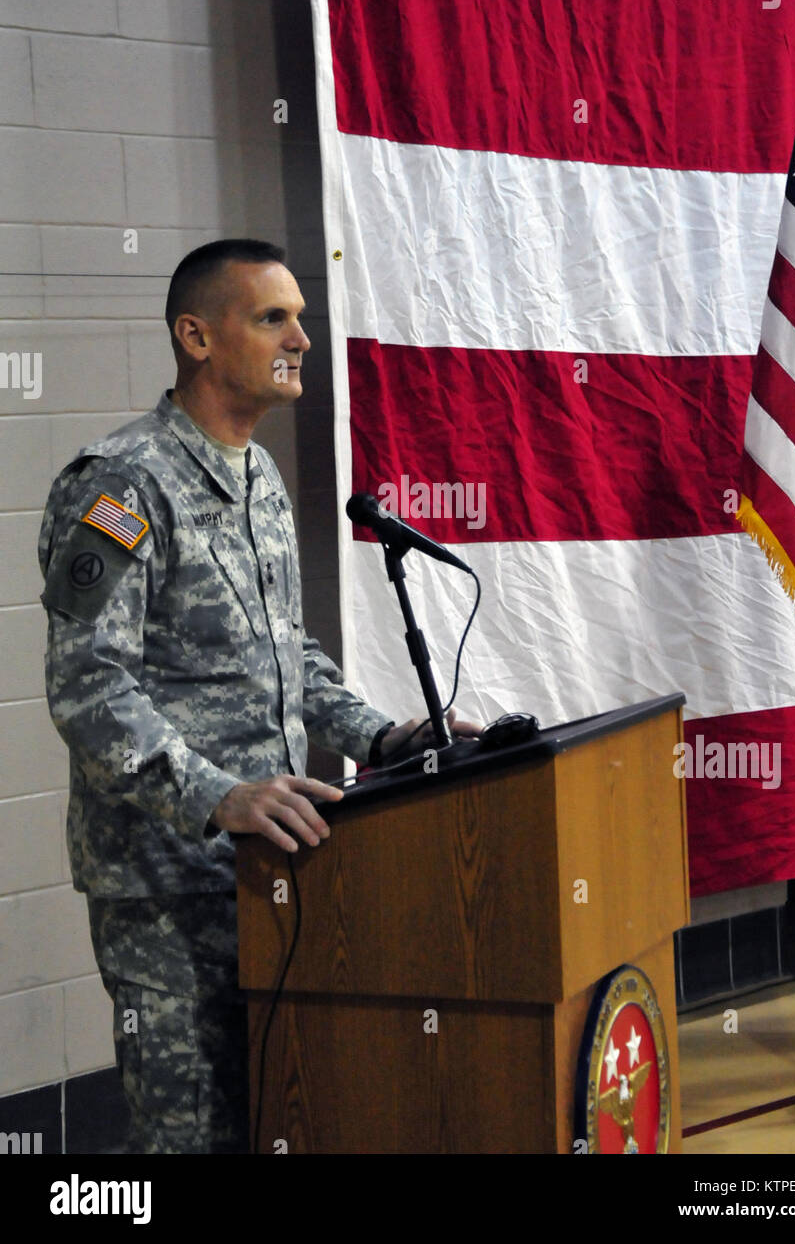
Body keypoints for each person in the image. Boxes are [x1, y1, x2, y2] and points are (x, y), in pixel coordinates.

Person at [38, 239, 480, 1154]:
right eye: (272, 316)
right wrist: (217, 795)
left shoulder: (258, 479)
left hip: (272, 869)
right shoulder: (122, 485)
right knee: (190, 1134)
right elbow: (88, 685)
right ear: (196, 337)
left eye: (301, 318)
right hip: (167, 884)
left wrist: (386, 739)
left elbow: (290, 655)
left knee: (278, 1114)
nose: (302, 339)